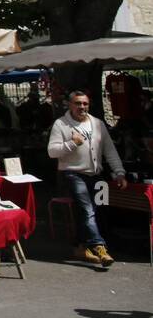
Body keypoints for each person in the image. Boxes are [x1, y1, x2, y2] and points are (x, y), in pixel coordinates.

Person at [48, 90, 128, 267]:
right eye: (77, 103)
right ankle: (99, 247)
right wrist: (72, 143)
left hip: (97, 175)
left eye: (85, 103)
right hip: (74, 173)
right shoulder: (61, 124)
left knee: (99, 209)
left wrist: (119, 172)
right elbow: (52, 151)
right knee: (87, 209)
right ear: (70, 105)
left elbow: (109, 150)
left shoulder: (97, 123)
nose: (81, 107)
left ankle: (80, 246)